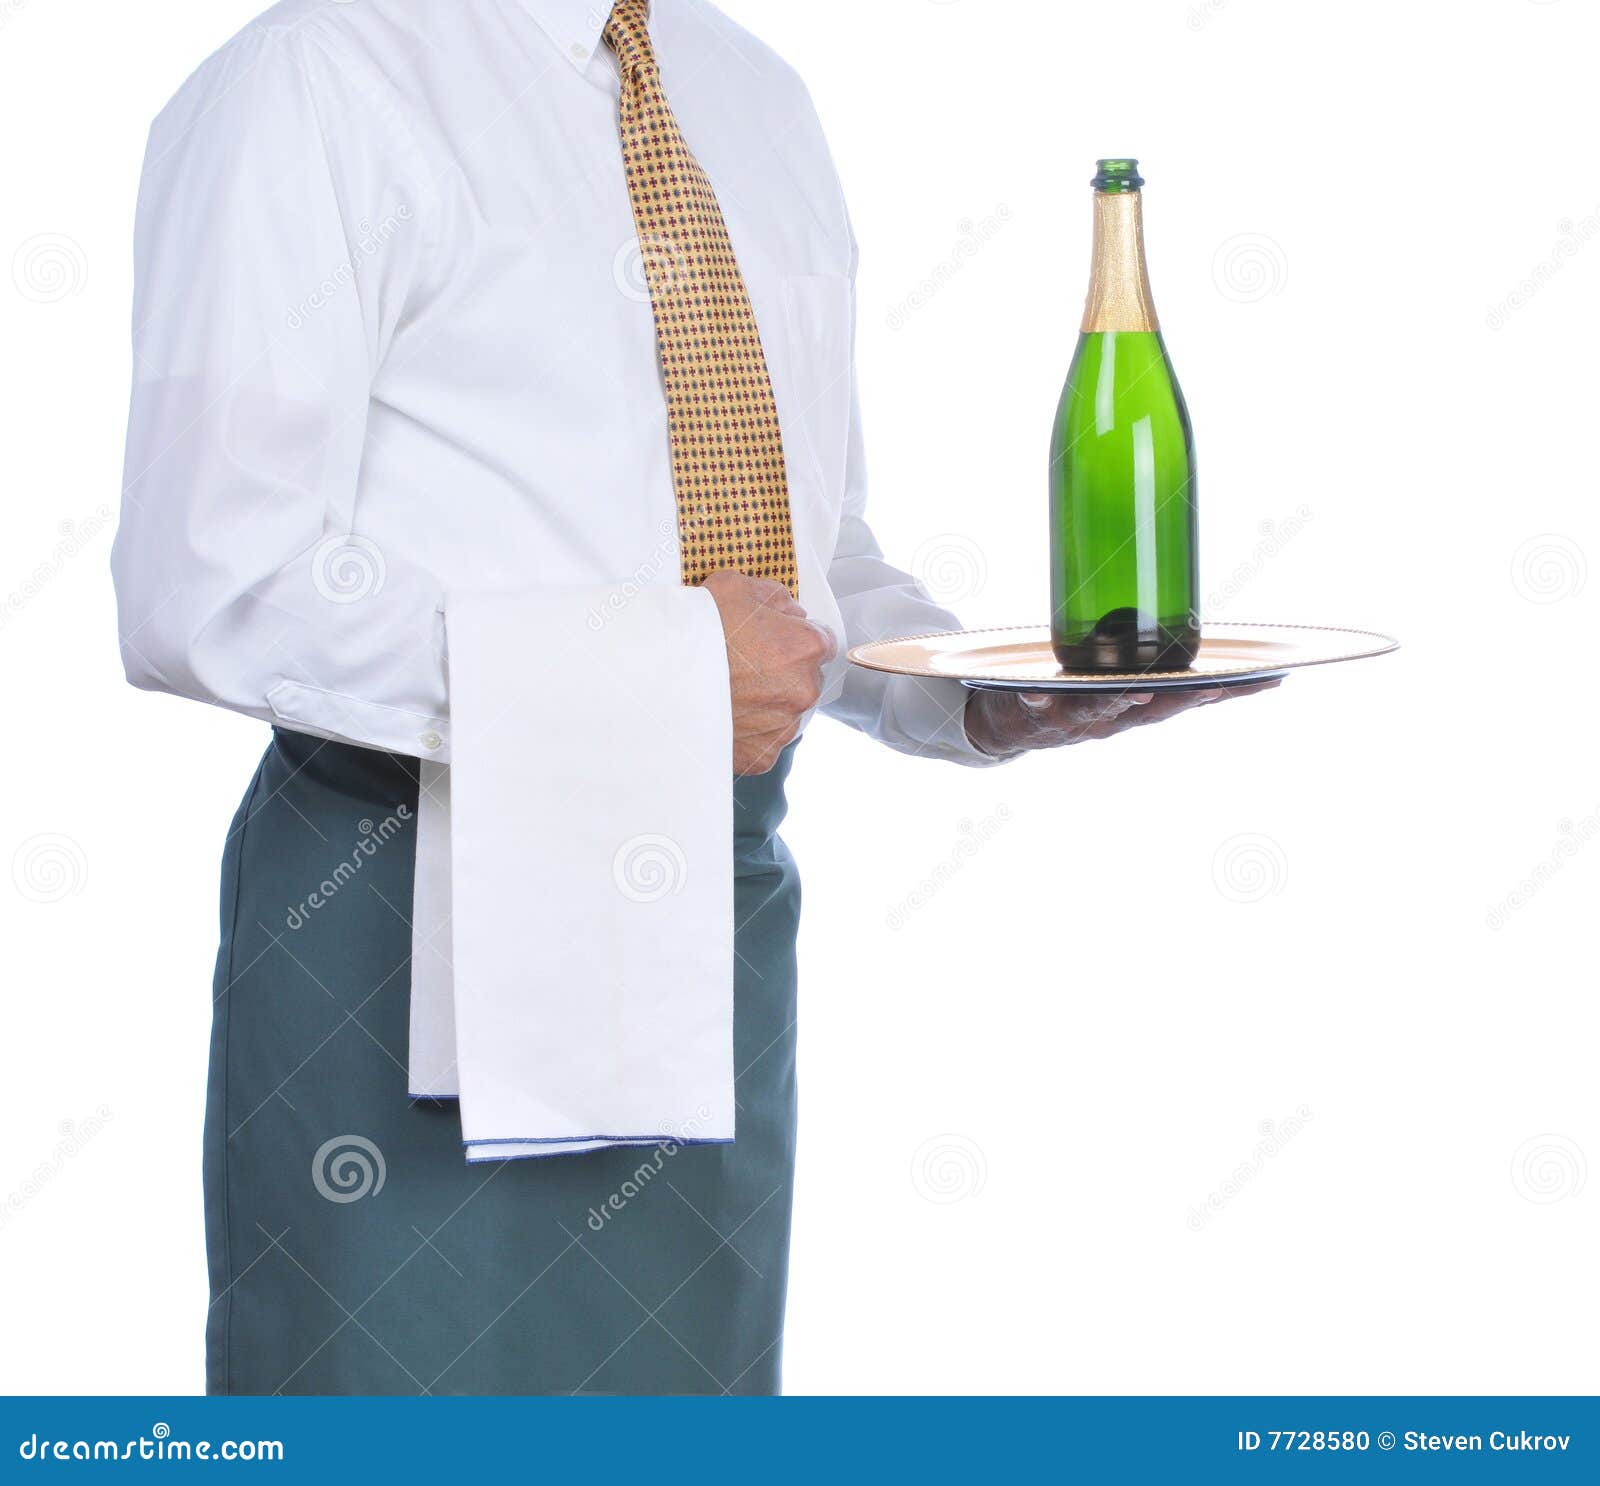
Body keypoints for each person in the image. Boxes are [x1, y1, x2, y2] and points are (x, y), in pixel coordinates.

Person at [111, 0, 1265, 1396]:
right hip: (401, 897)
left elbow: (803, 558)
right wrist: (657, 675)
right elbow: (206, 583)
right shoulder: (321, 71)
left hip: (711, 910)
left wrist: (959, 695)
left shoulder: (754, 93)